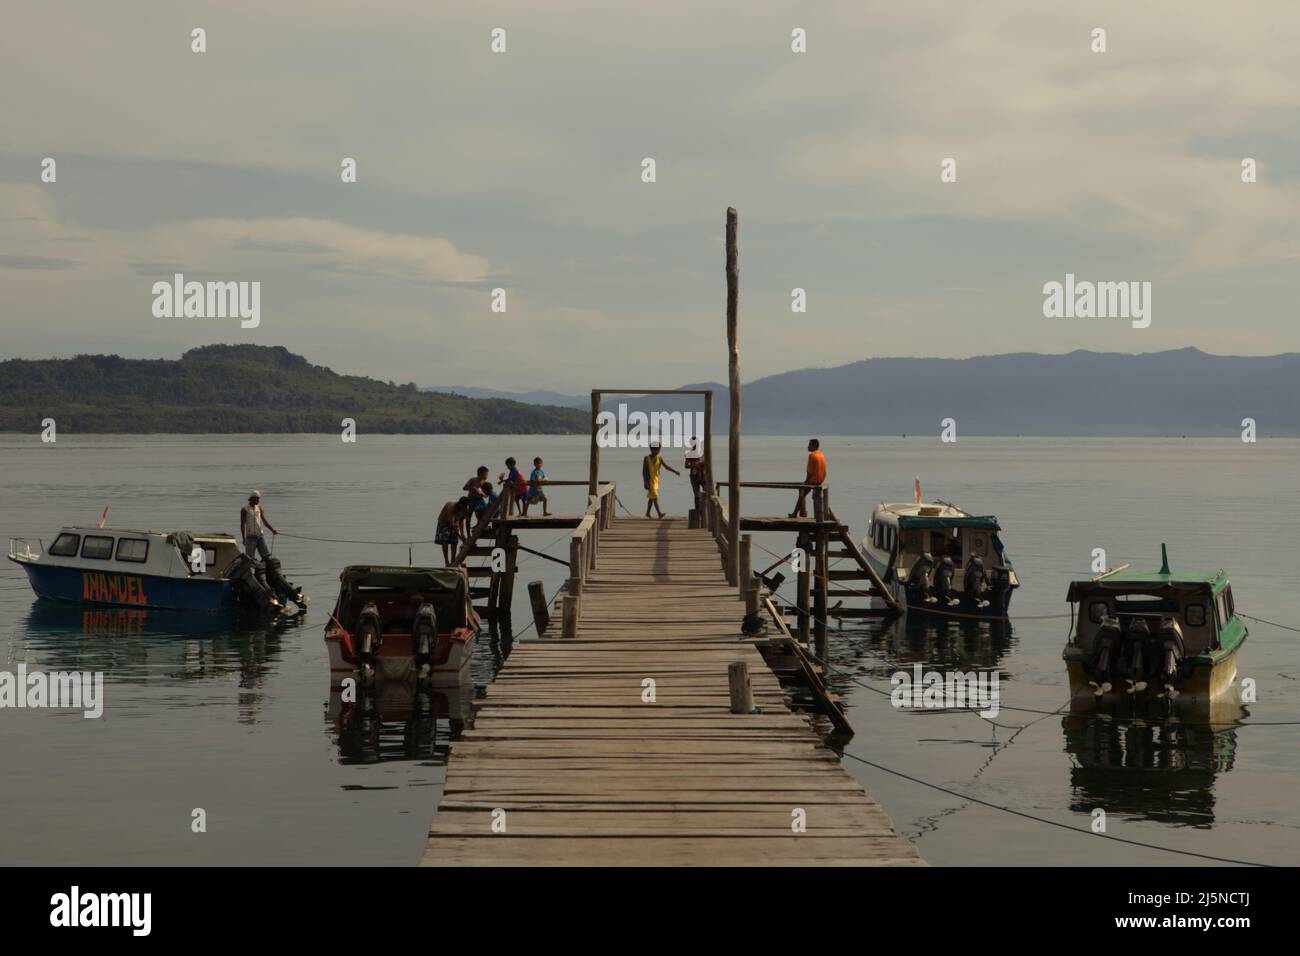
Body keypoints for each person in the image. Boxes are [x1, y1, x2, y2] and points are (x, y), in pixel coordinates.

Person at [789, 439, 827, 518]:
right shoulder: (821, 454)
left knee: (802, 494)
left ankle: (795, 514)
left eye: (810, 445)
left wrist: (806, 482)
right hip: (820, 480)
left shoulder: (812, 455)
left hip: (813, 481)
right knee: (803, 492)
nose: (808, 446)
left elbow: (809, 472)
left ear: (814, 446)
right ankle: (796, 513)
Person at [642, 442, 680, 519]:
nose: (657, 451)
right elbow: (644, 472)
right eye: (655, 449)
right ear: (651, 449)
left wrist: (675, 471)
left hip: (656, 481)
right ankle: (659, 513)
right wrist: (645, 482)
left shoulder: (659, 458)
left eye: (658, 449)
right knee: (655, 497)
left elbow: (666, 467)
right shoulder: (646, 458)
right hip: (649, 481)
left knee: (651, 498)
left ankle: (648, 513)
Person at [240, 490, 278, 559]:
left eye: (259, 498)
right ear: (252, 499)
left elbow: (264, 521)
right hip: (250, 537)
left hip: (260, 536)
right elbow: (242, 524)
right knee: (249, 558)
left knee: (266, 556)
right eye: (257, 498)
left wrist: (272, 530)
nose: (258, 500)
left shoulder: (259, 508)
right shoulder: (245, 509)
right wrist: (243, 538)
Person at [435, 499, 468, 565]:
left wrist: (462, 534)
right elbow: (451, 523)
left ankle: (453, 560)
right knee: (445, 541)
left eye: (465, 506)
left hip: (454, 522)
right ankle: (447, 561)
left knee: (454, 541)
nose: (464, 508)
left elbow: (461, 522)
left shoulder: (465, 509)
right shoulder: (451, 507)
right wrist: (460, 536)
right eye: (463, 506)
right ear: (459, 504)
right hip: (443, 523)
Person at [684, 436, 707, 509]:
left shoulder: (703, 453)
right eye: (692, 443)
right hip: (694, 476)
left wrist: (701, 466)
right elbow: (686, 465)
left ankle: (705, 510)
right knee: (696, 495)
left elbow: (708, 464)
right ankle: (698, 511)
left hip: (704, 475)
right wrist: (694, 466)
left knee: (707, 493)